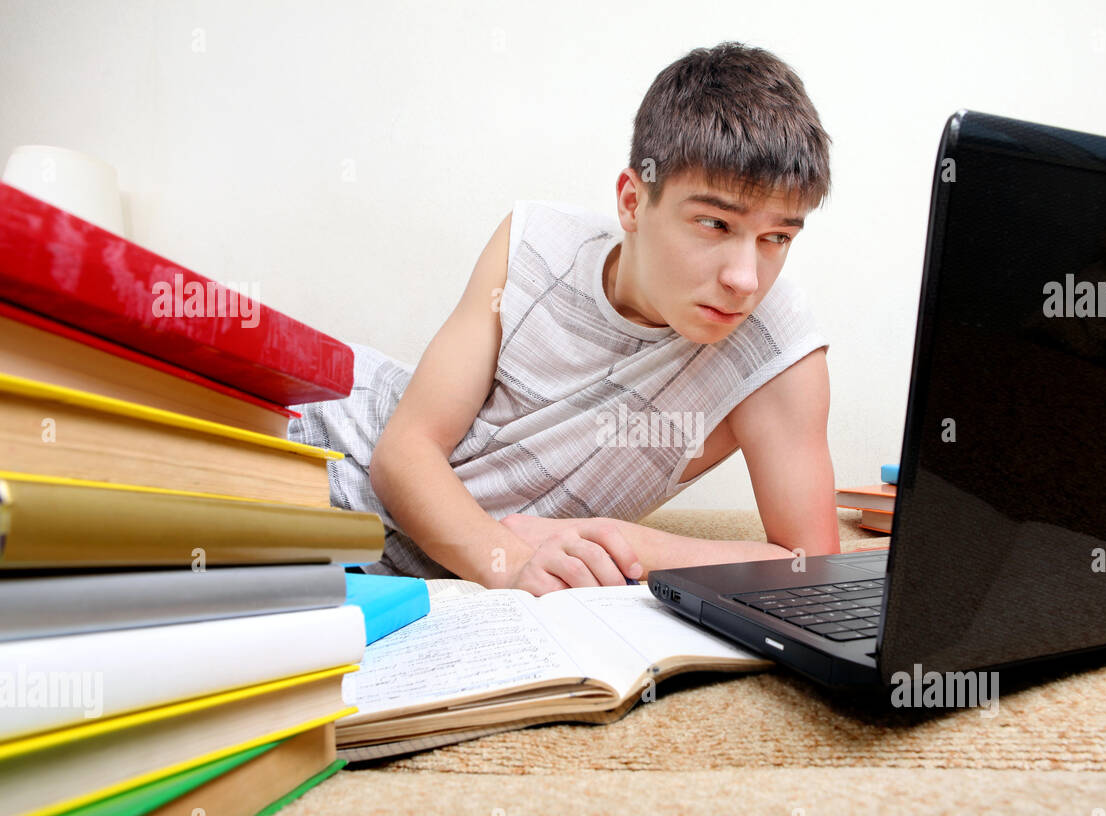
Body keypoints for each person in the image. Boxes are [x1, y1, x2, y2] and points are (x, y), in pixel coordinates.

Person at [289, 41, 840, 595]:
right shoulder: (535, 244)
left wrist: (624, 543)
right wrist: (510, 563)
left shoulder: (776, 349)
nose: (745, 279)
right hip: (311, 444)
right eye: (715, 224)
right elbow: (405, 453)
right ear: (632, 200)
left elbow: (811, 569)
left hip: (380, 574)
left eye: (776, 237)